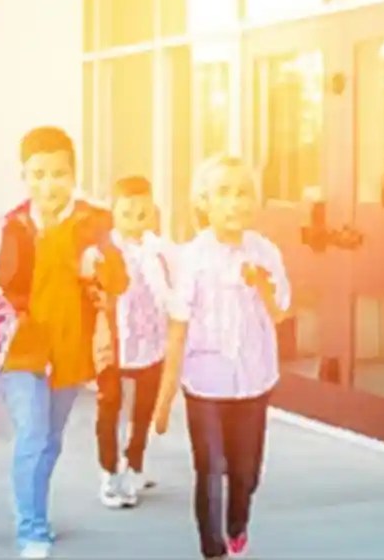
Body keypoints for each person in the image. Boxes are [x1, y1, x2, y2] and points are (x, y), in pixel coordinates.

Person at [0, 126, 127, 559]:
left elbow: (119, 279)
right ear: (24, 176)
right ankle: (31, 528)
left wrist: (96, 262)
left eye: (58, 173)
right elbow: (4, 285)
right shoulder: (16, 226)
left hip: (70, 347)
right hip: (24, 350)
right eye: (38, 174)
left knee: (50, 438)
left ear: (73, 174)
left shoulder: (93, 222)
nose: (48, 184)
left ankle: (38, 511)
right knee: (32, 433)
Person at [153, 155, 292, 560]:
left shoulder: (265, 251)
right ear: (205, 202)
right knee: (210, 468)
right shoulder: (193, 257)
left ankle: (238, 527)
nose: (235, 202)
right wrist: (163, 402)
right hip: (206, 382)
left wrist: (261, 283)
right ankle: (213, 551)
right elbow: (178, 329)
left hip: (253, 380)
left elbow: (280, 310)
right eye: (224, 193)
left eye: (243, 192)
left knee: (246, 473)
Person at [94, 176, 170, 509]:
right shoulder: (102, 251)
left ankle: (135, 463)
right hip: (113, 342)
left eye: (143, 213)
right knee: (109, 406)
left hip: (151, 341)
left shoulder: (158, 249)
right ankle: (110, 473)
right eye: (128, 213)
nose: (136, 222)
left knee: (145, 407)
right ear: (113, 212)